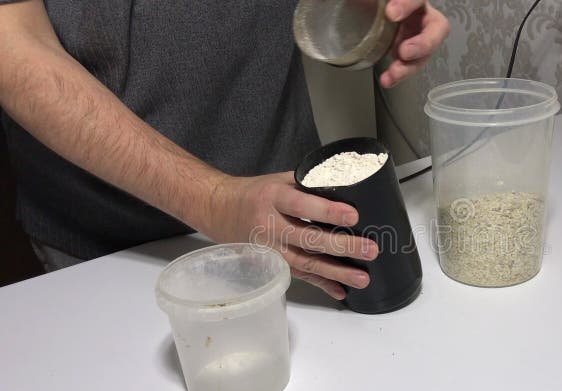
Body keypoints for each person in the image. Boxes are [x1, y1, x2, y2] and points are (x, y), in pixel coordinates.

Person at [0, 0, 449, 299]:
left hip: (283, 217)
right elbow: (14, 47)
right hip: (107, 240)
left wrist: (369, 12)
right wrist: (213, 199)